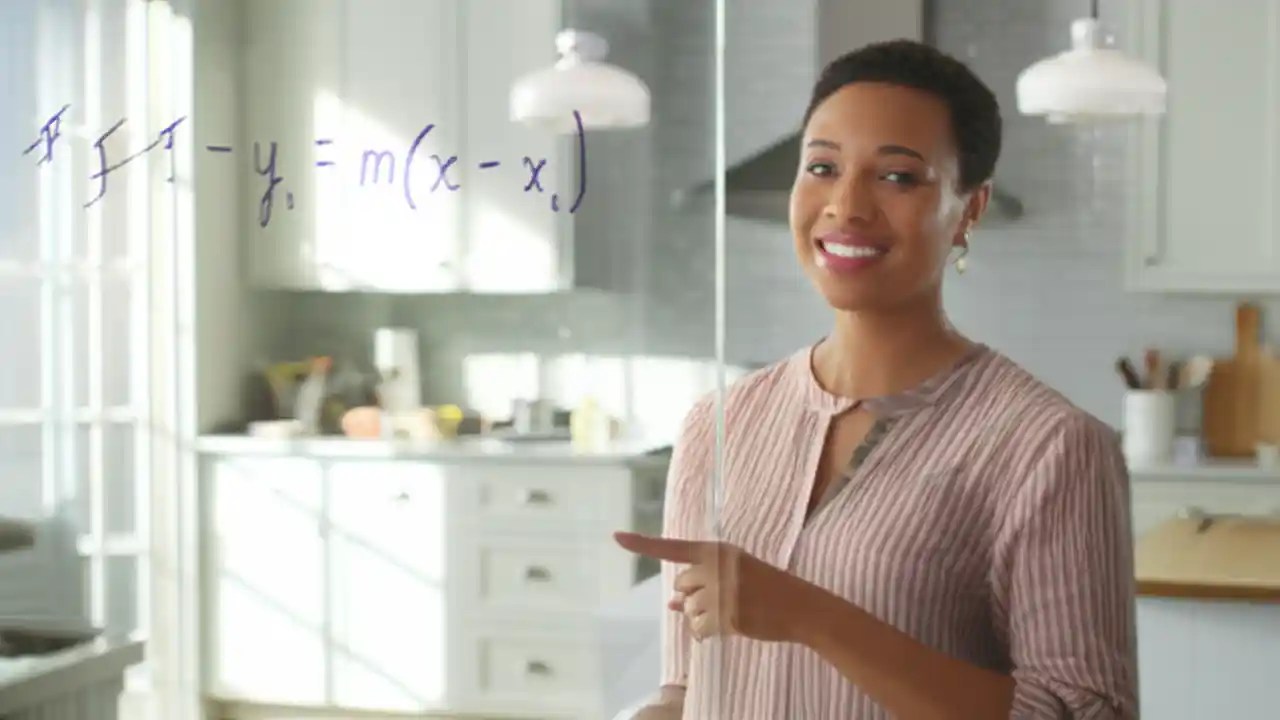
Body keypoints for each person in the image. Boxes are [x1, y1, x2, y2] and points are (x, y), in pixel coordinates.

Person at [614, 39, 1137, 720]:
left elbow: (1086, 712)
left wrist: (813, 615)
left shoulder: (1050, 448)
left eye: (898, 177)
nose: (847, 205)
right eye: (822, 167)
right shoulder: (718, 424)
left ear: (969, 210)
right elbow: (690, 688)